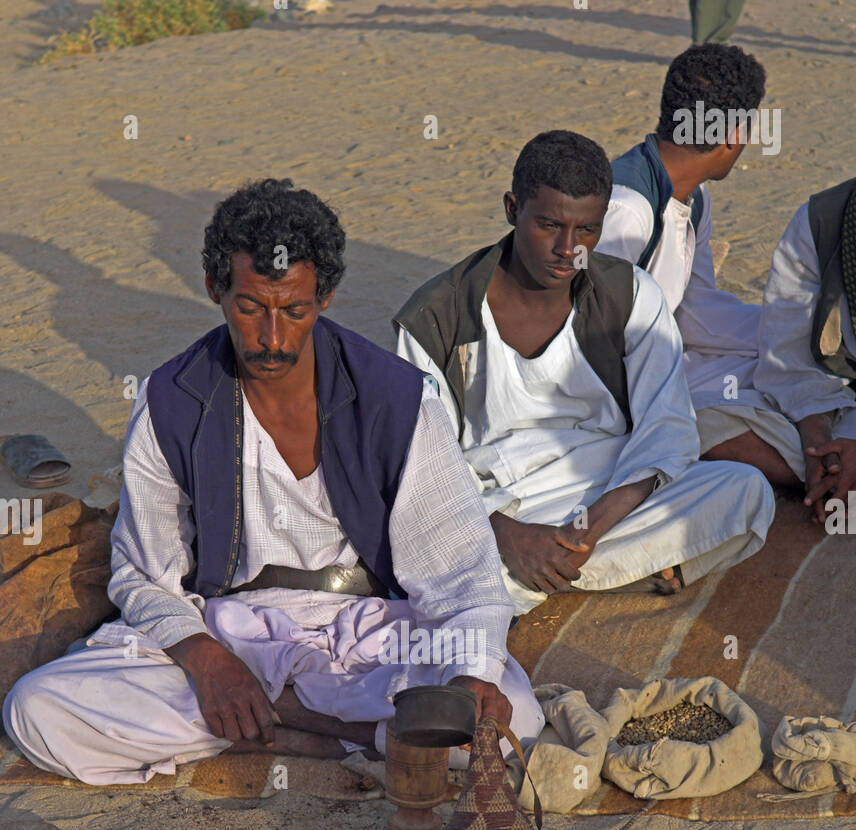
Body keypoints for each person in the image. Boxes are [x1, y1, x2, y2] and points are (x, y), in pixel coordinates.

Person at [3, 179, 543, 785]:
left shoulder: (398, 398)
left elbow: (460, 569)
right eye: (251, 307)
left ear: (326, 296)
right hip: (232, 627)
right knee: (37, 709)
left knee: (511, 716)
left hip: (374, 629)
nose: (272, 338)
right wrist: (208, 662)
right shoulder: (170, 400)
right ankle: (358, 736)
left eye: (294, 310)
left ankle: (276, 726)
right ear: (216, 289)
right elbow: (142, 572)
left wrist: (471, 677)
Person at [393, 131, 774, 615]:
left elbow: (668, 428)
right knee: (431, 550)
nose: (568, 249)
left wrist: (585, 533)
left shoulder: (632, 295)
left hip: (607, 492)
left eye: (587, 231)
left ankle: (543, 577)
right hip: (495, 503)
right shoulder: (435, 318)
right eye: (549, 225)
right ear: (513, 208)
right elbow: (427, 470)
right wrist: (510, 537)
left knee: (745, 492)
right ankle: (588, 572)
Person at [596, 45, 802, 487]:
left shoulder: (694, 196)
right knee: (763, 439)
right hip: (610, 394)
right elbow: (589, 345)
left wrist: (795, 336)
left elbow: (697, 313)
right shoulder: (627, 211)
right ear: (734, 136)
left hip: (664, 364)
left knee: (794, 376)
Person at [755, 173, 856, 524]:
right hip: (848, 404)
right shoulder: (822, 221)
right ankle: (834, 473)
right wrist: (817, 445)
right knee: (707, 420)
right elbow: (789, 359)